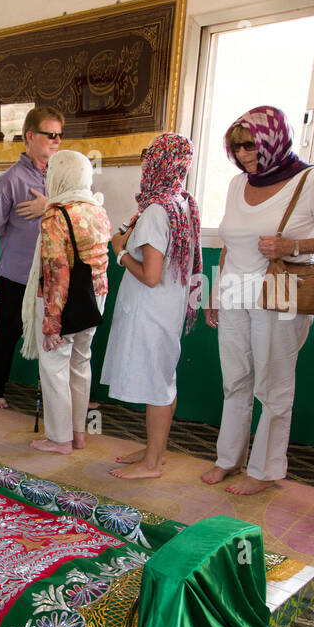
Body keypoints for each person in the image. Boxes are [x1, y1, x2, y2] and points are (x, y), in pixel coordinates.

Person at [201, 106, 314, 495]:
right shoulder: (239, 184)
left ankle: (266, 471)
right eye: (235, 147)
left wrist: (294, 245)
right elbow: (229, 245)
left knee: (273, 385)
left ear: (274, 139)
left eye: (250, 145)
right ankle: (228, 459)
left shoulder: (313, 180)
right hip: (236, 288)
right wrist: (215, 294)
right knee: (235, 380)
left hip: (283, 286)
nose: (243, 155)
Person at [102, 133, 203, 479]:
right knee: (164, 380)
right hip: (167, 310)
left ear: (157, 165)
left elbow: (151, 274)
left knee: (158, 387)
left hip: (152, 311)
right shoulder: (181, 203)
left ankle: (152, 465)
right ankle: (153, 450)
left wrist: (119, 251)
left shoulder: (159, 210)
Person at [20, 149, 110, 453]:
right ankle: (78, 433)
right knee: (80, 363)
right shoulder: (97, 207)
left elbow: (57, 272)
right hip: (95, 297)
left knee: (55, 365)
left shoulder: (56, 214)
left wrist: (51, 322)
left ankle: (59, 439)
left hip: (64, 298)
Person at [0, 105, 64, 409]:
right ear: (30, 136)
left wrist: (49, 206)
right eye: (50, 134)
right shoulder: (8, 182)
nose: (56, 140)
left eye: (59, 136)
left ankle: (66, 396)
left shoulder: (62, 177)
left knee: (60, 336)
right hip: (17, 275)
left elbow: (79, 211)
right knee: (9, 331)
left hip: (55, 275)